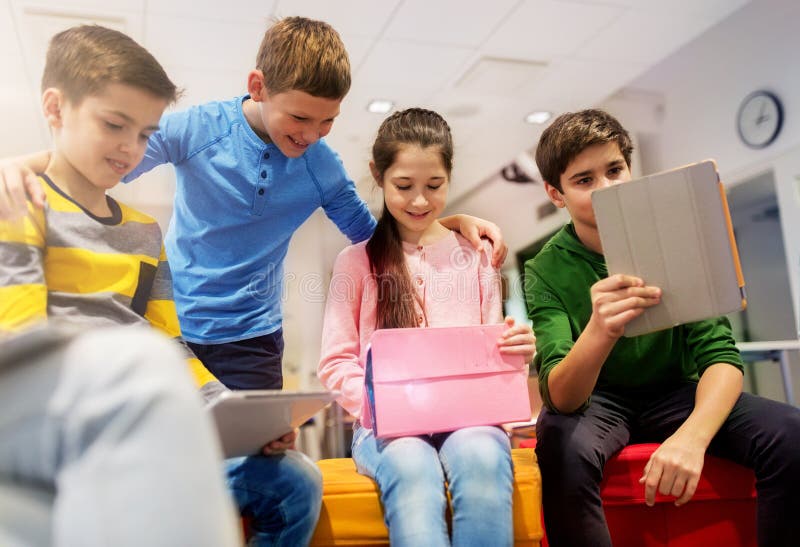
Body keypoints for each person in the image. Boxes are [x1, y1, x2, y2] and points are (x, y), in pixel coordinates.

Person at [0, 16, 507, 393]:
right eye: (300, 118)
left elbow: (372, 236)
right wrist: (30, 163)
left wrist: (446, 223)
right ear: (258, 87)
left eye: (327, 122)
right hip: (177, 327)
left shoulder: (321, 167)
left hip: (255, 339)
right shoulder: (199, 129)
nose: (311, 135)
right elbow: (106, 163)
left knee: (263, 472)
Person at [0, 25, 321, 546]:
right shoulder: (18, 204)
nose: (131, 148)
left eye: (146, 134)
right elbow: (20, 343)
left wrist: (238, 419)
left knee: (294, 480)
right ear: (55, 109)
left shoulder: (146, 231)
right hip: (60, 438)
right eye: (114, 125)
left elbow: (172, 345)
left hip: (143, 426)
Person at [524, 108, 800, 547]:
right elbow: (561, 397)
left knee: (791, 433)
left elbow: (722, 358)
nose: (606, 188)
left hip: (676, 392)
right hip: (598, 402)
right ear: (555, 194)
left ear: (631, 169)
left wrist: (692, 437)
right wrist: (600, 330)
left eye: (615, 170)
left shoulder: (676, 237)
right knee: (559, 443)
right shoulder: (545, 269)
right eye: (584, 180)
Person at [317, 108, 536, 547]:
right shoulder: (355, 262)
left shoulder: (476, 255)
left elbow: (491, 350)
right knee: (412, 468)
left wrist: (517, 348)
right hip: (386, 429)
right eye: (404, 186)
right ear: (378, 176)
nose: (420, 201)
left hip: (471, 421)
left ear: (449, 178)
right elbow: (337, 361)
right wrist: (386, 410)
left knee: (481, 459)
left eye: (434, 186)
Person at [0, 325, 242, 547]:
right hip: (58, 374)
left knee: (269, 473)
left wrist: (224, 403)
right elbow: (24, 324)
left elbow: (172, 342)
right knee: (138, 366)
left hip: (132, 380)